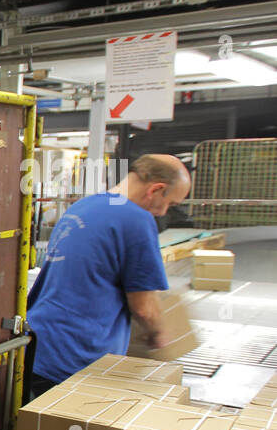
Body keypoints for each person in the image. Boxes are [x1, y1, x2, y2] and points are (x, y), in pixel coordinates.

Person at [26, 153, 192, 401]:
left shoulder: (85, 205)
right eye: (170, 203)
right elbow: (144, 307)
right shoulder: (137, 220)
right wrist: (160, 335)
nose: (163, 212)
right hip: (77, 357)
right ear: (156, 189)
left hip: (40, 344)